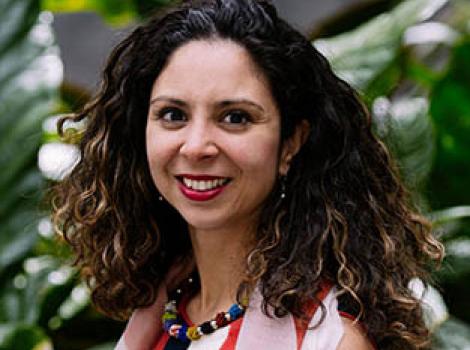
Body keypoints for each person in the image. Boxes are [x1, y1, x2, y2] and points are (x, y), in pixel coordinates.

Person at [51, 0, 444, 349]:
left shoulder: (330, 340)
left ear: (290, 142)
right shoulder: (164, 307)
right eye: (173, 115)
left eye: (235, 117)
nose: (196, 146)